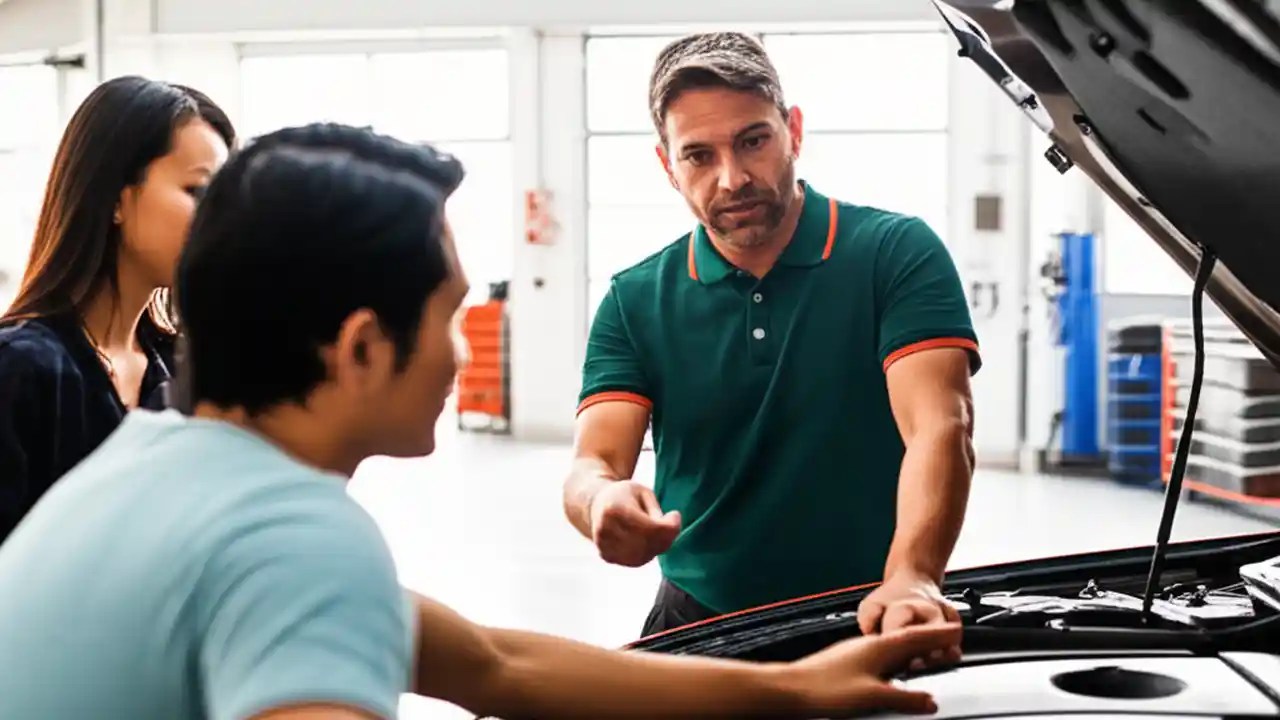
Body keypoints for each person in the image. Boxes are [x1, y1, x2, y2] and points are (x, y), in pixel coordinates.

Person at [0, 122, 961, 719]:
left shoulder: (163, 464)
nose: (464, 356)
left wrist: (792, 692)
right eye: (449, 315)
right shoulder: (287, 539)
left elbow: (499, 665)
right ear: (363, 345)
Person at [563, 31, 980, 639]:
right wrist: (600, 502)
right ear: (667, 166)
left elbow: (941, 425)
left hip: (874, 610)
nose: (732, 178)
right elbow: (592, 462)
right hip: (697, 619)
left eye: (753, 141)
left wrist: (913, 574)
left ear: (795, 132)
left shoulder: (895, 252)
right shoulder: (635, 299)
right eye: (698, 155)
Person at [0, 75, 234, 541]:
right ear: (115, 199)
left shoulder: (181, 370)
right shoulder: (20, 369)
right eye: (199, 193)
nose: (219, 221)